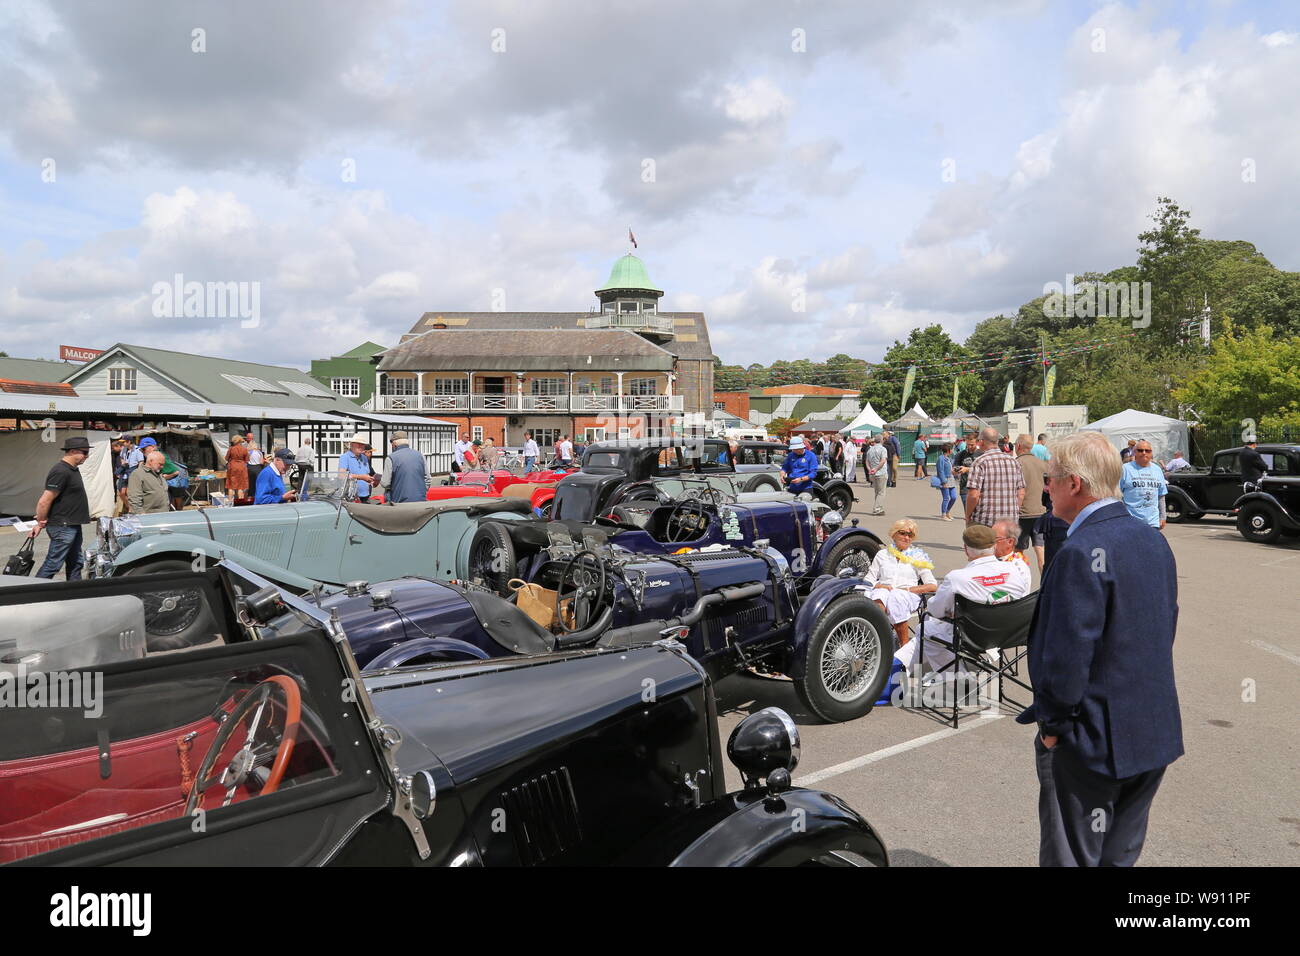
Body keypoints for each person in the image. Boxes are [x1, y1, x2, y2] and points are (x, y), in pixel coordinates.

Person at [1019, 430, 1182, 867]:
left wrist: (1053, 726)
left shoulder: (1080, 550)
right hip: (1151, 731)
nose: (1045, 488)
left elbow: (1066, 654)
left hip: (1090, 741)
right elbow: (1162, 628)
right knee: (1118, 857)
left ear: (1074, 483)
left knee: (1072, 856)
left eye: (1050, 479)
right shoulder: (1152, 539)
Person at [900, 523, 1031, 677]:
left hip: (973, 637)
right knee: (933, 630)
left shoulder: (957, 578)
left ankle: (960, 677)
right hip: (1010, 633)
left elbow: (935, 610)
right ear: (993, 546)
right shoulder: (1016, 570)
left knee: (926, 629)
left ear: (966, 549)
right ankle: (898, 665)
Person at [861, 519, 938, 646]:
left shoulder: (918, 556)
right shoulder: (882, 554)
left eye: (910, 535)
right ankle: (880, 640)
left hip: (907, 595)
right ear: (894, 534)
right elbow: (868, 580)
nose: (906, 537)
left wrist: (907, 590)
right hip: (884, 592)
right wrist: (880, 585)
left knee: (896, 597)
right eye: (903, 533)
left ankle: (904, 644)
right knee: (880, 596)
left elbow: (932, 585)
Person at [30, 436, 92, 580]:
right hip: (63, 526)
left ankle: (74, 594)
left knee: (76, 562)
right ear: (72, 451)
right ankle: (34, 593)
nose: (87, 456)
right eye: (84, 452)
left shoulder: (73, 469)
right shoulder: (60, 471)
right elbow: (44, 501)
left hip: (72, 524)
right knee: (53, 564)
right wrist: (40, 522)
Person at [966, 427, 1025, 528]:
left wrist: (967, 515)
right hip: (1009, 521)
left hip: (985, 521)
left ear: (981, 442)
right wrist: (1014, 512)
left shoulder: (980, 462)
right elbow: (1021, 493)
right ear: (997, 441)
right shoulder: (1014, 462)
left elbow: (974, 495)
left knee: (982, 544)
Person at [1015, 435, 1049, 571]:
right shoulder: (1042, 464)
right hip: (1040, 512)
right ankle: (1045, 585)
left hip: (1022, 513)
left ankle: (1020, 583)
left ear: (1018, 446)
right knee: (1040, 550)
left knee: (1018, 552)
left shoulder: (1016, 464)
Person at [1119, 440, 1167, 529]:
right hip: (1131, 522)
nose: (1144, 453)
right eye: (1140, 450)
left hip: (1153, 523)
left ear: (1151, 453)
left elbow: (1161, 495)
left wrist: (1163, 517)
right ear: (1134, 452)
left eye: (1147, 450)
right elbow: (1117, 494)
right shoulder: (1125, 469)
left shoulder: (1157, 470)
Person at [381, 431, 429, 503]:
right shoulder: (420, 455)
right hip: (420, 500)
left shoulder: (391, 458)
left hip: (399, 502)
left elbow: (385, 483)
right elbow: (428, 479)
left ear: (394, 444)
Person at [127, 450, 170, 514]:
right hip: (149, 517)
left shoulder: (158, 474)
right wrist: (142, 516)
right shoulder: (137, 474)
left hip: (164, 515)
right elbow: (134, 499)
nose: (162, 467)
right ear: (150, 461)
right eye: (160, 464)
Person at [338, 436, 373, 502]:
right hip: (351, 496)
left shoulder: (364, 457)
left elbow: (366, 474)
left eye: (363, 445)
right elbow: (341, 475)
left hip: (366, 495)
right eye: (358, 444)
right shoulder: (345, 457)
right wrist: (361, 477)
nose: (361, 446)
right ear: (351, 445)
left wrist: (371, 480)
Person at [954, 431, 981, 517]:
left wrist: (968, 469)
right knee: (968, 515)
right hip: (965, 488)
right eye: (967, 444)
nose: (969, 447)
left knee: (978, 516)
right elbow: (955, 467)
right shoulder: (961, 454)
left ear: (977, 442)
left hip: (979, 489)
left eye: (972, 445)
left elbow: (985, 470)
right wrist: (955, 470)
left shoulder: (982, 454)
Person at [862, 436, 887, 515]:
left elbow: (867, 461)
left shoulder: (870, 449)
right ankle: (877, 509)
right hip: (880, 472)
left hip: (872, 473)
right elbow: (883, 461)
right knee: (881, 492)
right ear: (881, 440)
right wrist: (876, 469)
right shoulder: (883, 449)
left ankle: (880, 506)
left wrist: (869, 469)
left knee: (877, 491)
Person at [936, 442, 957, 520]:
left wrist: (954, 471)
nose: (953, 450)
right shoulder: (941, 458)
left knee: (954, 497)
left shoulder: (948, 458)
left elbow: (949, 469)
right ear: (948, 450)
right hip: (944, 480)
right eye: (952, 449)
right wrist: (944, 482)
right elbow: (940, 471)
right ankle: (944, 515)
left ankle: (947, 512)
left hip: (951, 479)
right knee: (946, 498)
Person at [225, 434, 250, 500]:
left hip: (232, 467)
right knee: (241, 486)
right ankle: (240, 502)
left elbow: (226, 458)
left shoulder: (231, 449)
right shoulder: (244, 449)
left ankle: (230, 502)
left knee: (231, 486)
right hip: (242, 467)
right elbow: (247, 460)